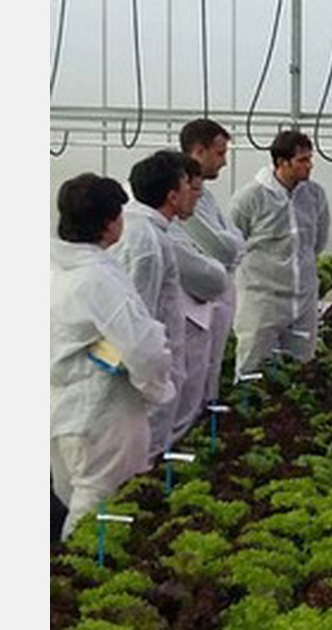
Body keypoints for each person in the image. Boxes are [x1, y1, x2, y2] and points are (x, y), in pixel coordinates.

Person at [51, 174, 174, 539]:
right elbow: (143, 348)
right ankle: (63, 590)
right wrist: (156, 389)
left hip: (58, 411)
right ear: (109, 223)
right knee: (95, 516)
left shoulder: (50, 269)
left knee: (72, 497)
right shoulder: (100, 278)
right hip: (101, 417)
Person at [112, 150, 201, 462]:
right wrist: (149, 382)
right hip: (147, 381)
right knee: (143, 459)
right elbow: (139, 318)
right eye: (188, 186)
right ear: (172, 196)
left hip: (152, 372)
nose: (195, 194)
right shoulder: (147, 242)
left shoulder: (150, 232)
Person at [228, 130, 330, 375]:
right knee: (253, 369)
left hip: (302, 297)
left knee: (300, 369)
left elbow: (318, 241)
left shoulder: (314, 194)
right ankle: (250, 412)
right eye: (302, 160)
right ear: (282, 163)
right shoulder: (250, 197)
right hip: (262, 300)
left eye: (310, 158)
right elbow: (231, 245)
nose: (310, 165)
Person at [178, 118, 244, 405]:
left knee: (206, 377)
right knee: (189, 383)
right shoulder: (183, 197)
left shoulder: (205, 195)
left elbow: (234, 242)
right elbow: (224, 249)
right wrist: (230, 246)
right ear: (197, 151)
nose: (224, 162)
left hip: (212, 302)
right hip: (195, 305)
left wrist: (230, 245)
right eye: (219, 153)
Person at [168, 174, 230, 444]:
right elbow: (212, 275)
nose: (197, 195)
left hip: (185, 327)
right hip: (173, 335)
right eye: (192, 189)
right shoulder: (157, 239)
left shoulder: (168, 231)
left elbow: (231, 246)